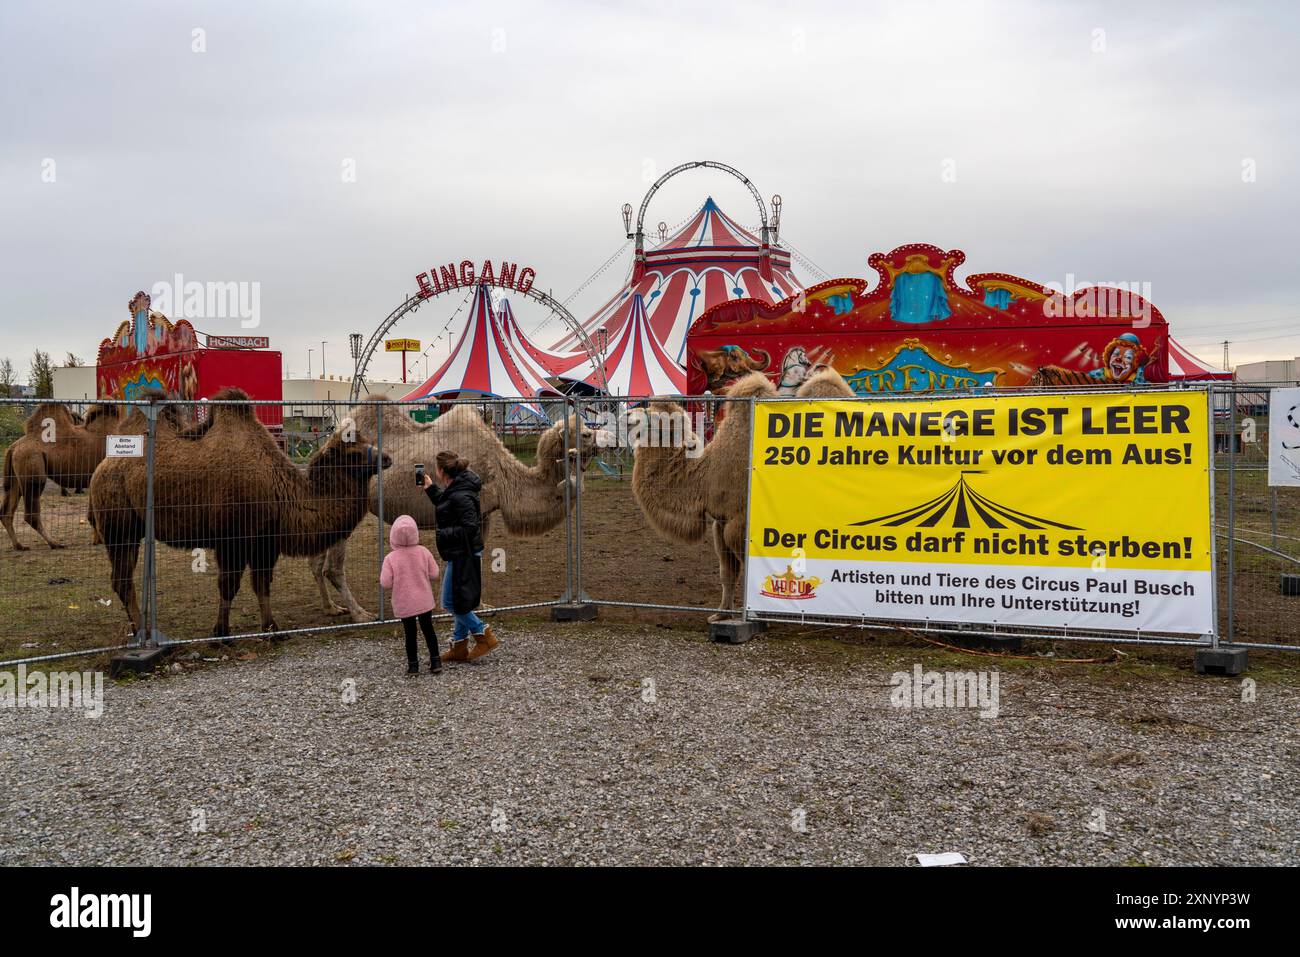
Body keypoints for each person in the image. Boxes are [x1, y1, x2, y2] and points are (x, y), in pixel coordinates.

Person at [423, 450, 498, 662]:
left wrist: (443, 533)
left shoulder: (461, 493)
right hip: (462, 551)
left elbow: (470, 526)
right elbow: (450, 504)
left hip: (463, 553)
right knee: (459, 601)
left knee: (450, 602)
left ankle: (484, 635)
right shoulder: (457, 488)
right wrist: (430, 490)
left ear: (442, 470)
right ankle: (459, 646)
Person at [379, 514, 441, 676]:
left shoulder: (390, 559)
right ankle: (436, 661)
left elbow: (385, 583)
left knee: (410, 633)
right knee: (429, 630)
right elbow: (434, 574)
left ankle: (413, 666)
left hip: (405, 602)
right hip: (424, 601)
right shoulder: (423, 552)